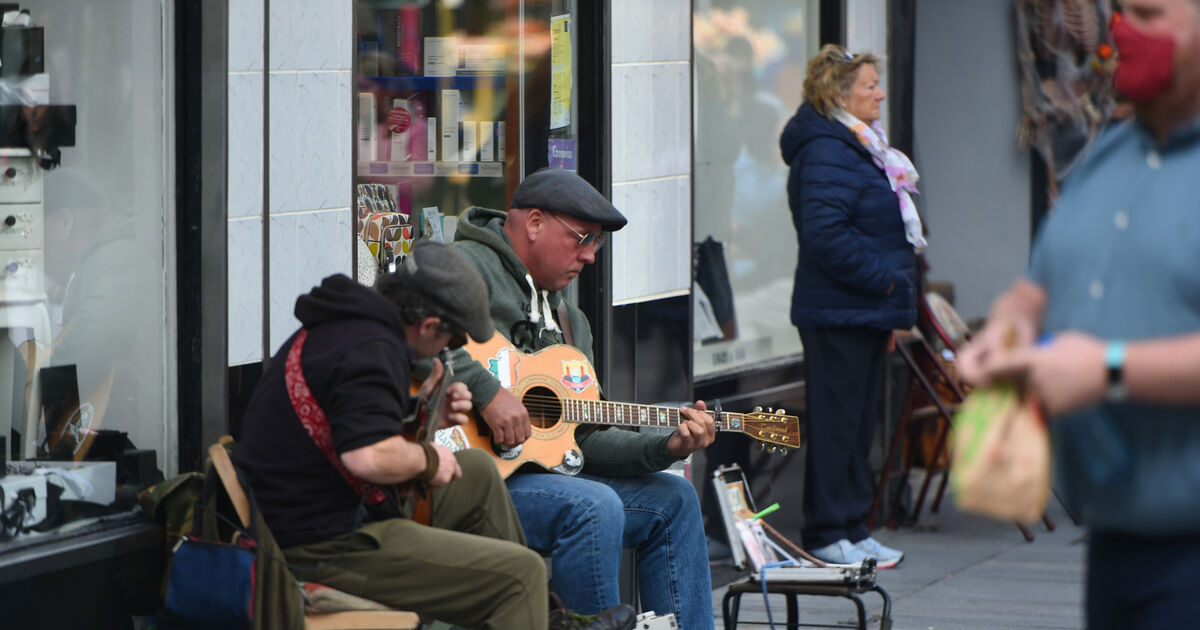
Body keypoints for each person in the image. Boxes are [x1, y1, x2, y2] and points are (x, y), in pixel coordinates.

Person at [233, 240, 633, 630]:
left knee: (475, 470)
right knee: (521, 574)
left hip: (330, 507)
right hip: (322, 543)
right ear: (427, 325)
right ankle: (525, 605)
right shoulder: (371, 350)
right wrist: (429, 459)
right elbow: (366, 457)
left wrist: (427, 417)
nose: (449, 352)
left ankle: (544, 620)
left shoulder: (353, 326)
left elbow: (349, 427)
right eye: (453, 341)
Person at [958, 1, 1200, 627]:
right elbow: (1037, 287)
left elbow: (1103, 364)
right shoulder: (1106, 152)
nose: (1122, 31)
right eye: (1122, 12)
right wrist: (1009, 330)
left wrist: (1111, 370)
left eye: (1148, 15)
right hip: (1116, 546)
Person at [446, 167, 718, 629]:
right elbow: (407, 334)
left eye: (598, 244)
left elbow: (582, 438)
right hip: (468, 475)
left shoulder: (571, 322)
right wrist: (489, 393)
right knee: (593, 506)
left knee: (675, 498)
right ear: (534, 223)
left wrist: (665, 446)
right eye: (582, 238)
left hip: (546, 476)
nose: (590, 256)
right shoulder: (465, 266)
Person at [778, 44, 923, 568]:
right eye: (869, 86)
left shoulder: (860, 144)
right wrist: (886, 283)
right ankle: (825, 533)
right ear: (837, 94)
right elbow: (825, 234)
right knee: (838, 425)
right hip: (838, 310)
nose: (880, 93)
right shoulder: (826, 149)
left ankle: (854, 529)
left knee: (860, 425)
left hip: (862, 311)